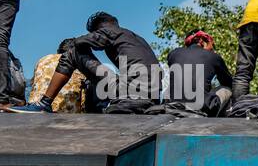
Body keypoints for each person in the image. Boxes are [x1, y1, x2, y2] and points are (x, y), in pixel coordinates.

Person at [15, 12, 164, 114]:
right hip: (152, 98)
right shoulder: (135, 38)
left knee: (74, 50)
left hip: (131, 94)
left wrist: (81, 43)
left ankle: (43, 104)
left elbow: (78, 42)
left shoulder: (109, 31)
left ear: (99, 28)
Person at [165, 29, 233, 114]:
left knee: (171, 87)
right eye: (212, 44)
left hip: (174, 105)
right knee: (227, 89)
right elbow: (229, 82)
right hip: (202, 107)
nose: (212, 48)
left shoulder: (173, 53)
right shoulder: (214, 57)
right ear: (201, 41)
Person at [28, 39, 87, 112]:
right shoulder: (79, 64)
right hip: (68, 114)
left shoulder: (44, 59)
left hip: (34, 109)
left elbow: (32, 83)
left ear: (58, 50)